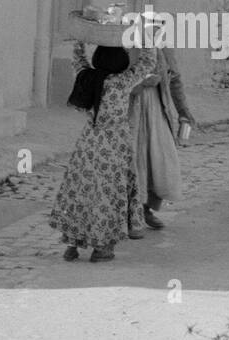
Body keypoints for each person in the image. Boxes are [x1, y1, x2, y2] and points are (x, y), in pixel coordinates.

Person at [51, 42, 156, 262]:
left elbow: (78, 60)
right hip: (114, 145)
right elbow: (147, 62)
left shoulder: (87, 76)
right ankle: (102, 248)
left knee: (81, 190)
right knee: (107, 194)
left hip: (88, 144)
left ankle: (72, 245)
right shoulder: (121, 82)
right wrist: (149, 41)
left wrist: (80, 41)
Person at [128, 45, 196, 235]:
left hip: (156, 108)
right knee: (134, 160)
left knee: (157, 159)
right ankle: (131, 213)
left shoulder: (163, 48)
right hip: (129, 108)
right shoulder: (123, 40)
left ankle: (146, 208)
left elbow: (174, 78)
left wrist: (183, 112)